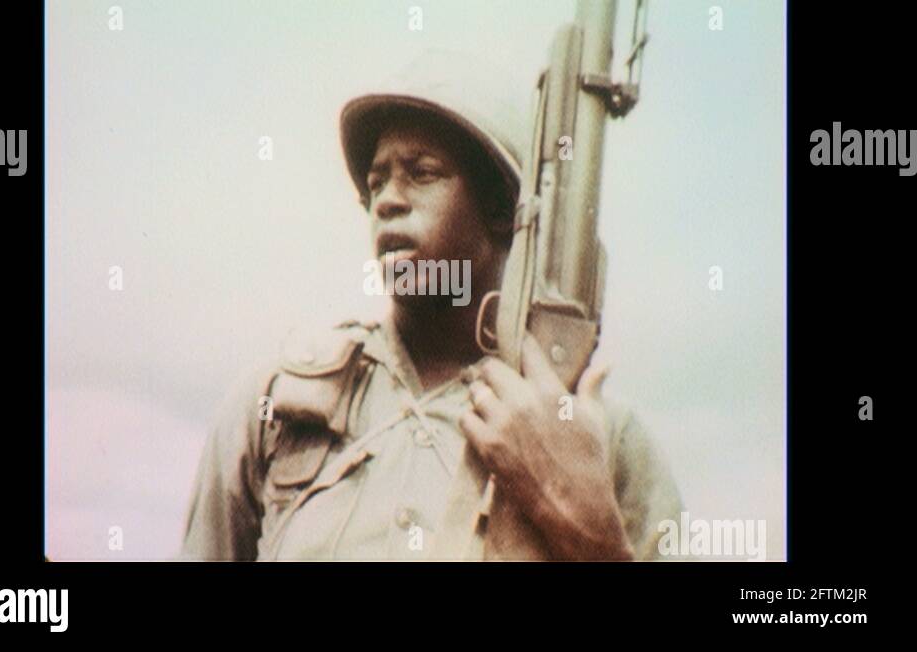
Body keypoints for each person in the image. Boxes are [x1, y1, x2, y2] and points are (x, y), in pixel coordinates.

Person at [180, 51, 682, 561]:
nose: (386, 201)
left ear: (503, 209)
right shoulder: (275, 408)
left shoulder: (595, 434)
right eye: (376, 183)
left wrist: (588, 534)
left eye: (422, 173)